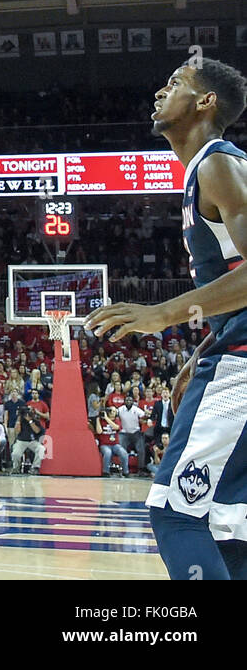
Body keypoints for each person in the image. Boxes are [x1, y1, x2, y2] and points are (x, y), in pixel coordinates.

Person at [87, 60, 247, 580]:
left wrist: (160, 313)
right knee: (229, 523)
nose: (160, 89)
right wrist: (198, 353)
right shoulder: (210, 169)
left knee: (175, 513)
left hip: (241, 366)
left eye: (176, 83)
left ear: (206, 103)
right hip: (231, 351)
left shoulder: (217, 165)